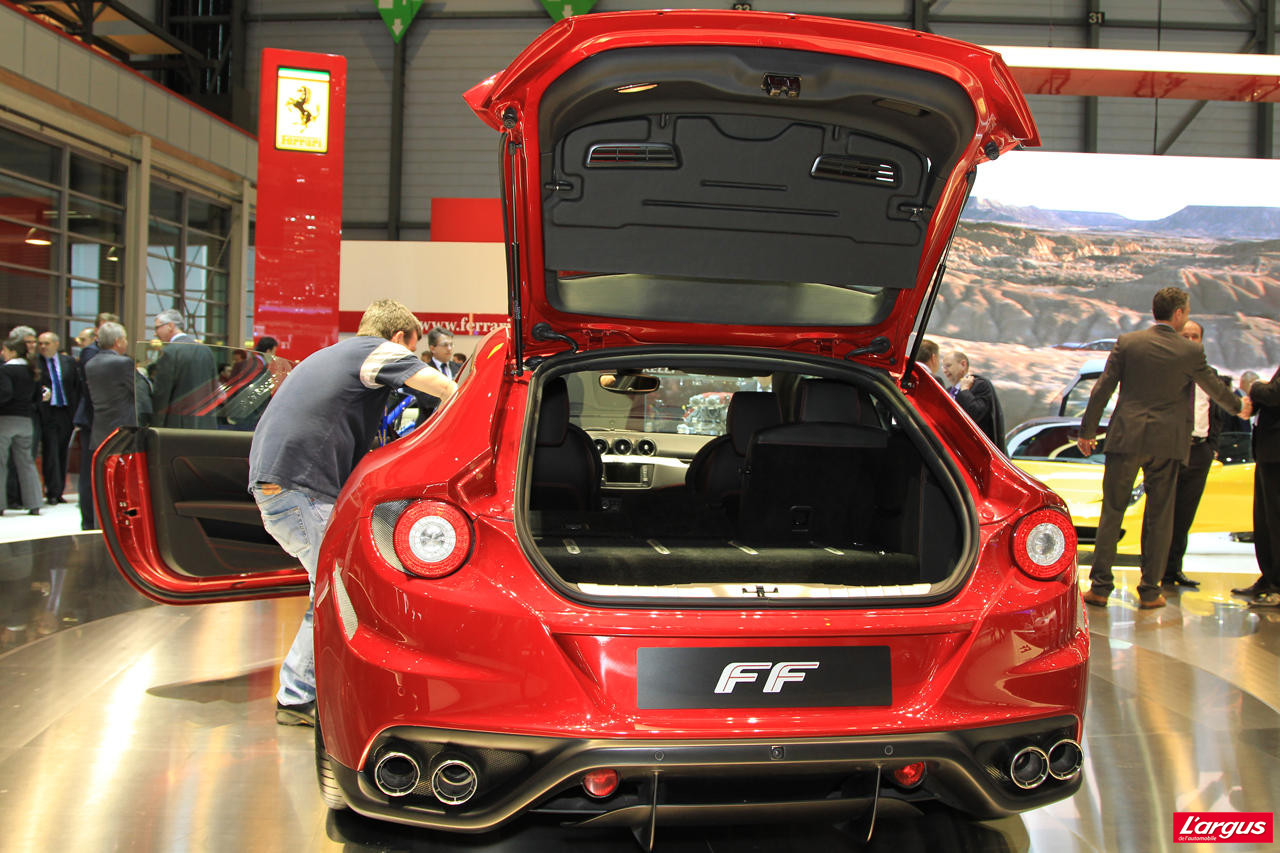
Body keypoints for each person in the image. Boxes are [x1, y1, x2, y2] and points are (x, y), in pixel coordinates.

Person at [248, 299, 456, 726]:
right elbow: (447, 390)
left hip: (281, 488)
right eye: (411, 350)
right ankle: (299, 696)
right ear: (398, 338)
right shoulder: (372, 350)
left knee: (328, 588)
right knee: (338, 589)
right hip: (301, 491)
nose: (408, 359)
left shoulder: (331, 356)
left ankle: (302, 692)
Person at [1077, 287, 1247, 609]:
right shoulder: (1189, 352)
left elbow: (1102, 389)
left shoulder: (1127, 343)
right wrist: (1240, 407)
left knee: (1112, 511)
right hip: (1167, 444)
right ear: (1180, 313)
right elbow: (1214, 388)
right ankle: (1150, 591)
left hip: (1126, 437)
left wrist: (1087, 432)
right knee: (1159, 517)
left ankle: (1100, 587)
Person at [1163, 321, 1232, 589]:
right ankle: (1152, 573)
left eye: (1196, 336)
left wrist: (1211, 446)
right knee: (1161, 514)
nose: (1191, 340)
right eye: (1186, 335)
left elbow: (1218, 414)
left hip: (1199, 450)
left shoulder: (1210, 375)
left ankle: (1172, 572)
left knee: (1184, 516)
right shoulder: (1167, 373)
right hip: (1169, 450)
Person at [1234, 366, 1280, 604]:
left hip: (1276, 456)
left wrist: (1255, 386)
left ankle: (1276, 585)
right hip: (1268, 454)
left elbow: (1274, 394)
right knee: (1264, 522)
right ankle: (1269, 578)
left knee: (1275, 521)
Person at [73, 312, 120, 529]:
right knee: (90, 472)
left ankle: (95, 519)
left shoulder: (97, 353)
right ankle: (90, 520)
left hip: (102, 419)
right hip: (94, 420)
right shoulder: (91, 353)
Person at [0, 336, 46, 516]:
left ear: (11, 351)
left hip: (5, 420)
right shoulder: (31, 370)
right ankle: (34, 503)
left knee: (1, 463)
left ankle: (1, 505)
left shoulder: (4, 371)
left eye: (4, 350)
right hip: (26, 421)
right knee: (27, 462)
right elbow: (37, 396)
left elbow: (5, 393)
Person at [149, 309, 217, 428]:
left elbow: (162, 394)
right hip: (205, 424)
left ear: (170, 326)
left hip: (178, 425)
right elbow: (213, 388)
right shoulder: (206, 350)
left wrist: (155, 424)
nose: (155, 333)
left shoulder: (169, 352)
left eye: (157, 328)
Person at [36, 331, 82, 504]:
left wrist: (76, 413)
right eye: (41, 343)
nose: (43, 347)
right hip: (48, 413)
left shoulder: (68, 362)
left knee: (63, 451)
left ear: (56, 344)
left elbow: (76, 388)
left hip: (65, 412)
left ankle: (59, 489)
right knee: (51, 452)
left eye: (46, 343)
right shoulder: (36, 363)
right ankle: (52, 491)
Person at [83, 323, 140, 456]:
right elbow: (139, 391)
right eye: (125, 339)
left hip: (100, 433)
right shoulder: (123, 363)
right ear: (117, 342)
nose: (126, 343)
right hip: (123, 434)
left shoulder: (90, 364)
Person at [941, 349, 1006, 452]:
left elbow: (975, 413)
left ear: (963, 364)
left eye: (948, 366)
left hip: (975, 451)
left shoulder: (980, 385)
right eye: (943, 367)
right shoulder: (948, 391)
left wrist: (965, 390)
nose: (944, 370)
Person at [411, 326, 457, 419]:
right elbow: (427, 401)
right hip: (430, 425)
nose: (449, 348)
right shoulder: (422, 370)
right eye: (445, 345)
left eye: (451, 344)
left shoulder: (460, 368)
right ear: (432, 348)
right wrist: (455, 397)